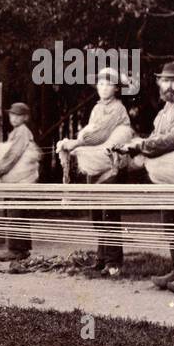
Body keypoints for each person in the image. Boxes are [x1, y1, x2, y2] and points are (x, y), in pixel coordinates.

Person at [119, 61, 174, 295]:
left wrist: (140, 145)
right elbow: (154, 141)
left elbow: (172, 140)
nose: (169, 85)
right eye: (165, 80)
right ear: (159, 82)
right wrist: (130, 149)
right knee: (169, 220)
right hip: (169, 175)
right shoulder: (162, 113)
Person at [56, 67, 133, 275]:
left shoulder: (118, 109)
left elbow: (99, 134)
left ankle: (114, 261)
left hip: (111, 166)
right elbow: (91, 131)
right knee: (97, 213)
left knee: (110, 212)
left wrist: (75, 143)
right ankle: (102, 257)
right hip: (96, 165)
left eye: (108, 84)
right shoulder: (97, 109)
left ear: (116, 88)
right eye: (100, 83)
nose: (104, 88)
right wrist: (80, 145)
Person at [0, 102, 41, 263]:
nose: (14, 118)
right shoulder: (17, 132)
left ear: (25, 117)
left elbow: (13, 154)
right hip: (20, 178)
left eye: (18, 115)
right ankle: (22, 249)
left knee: (15, 212)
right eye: (12, 114)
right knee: (19, 211)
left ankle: (15, 249)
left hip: (21, 179)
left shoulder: (22, 132)